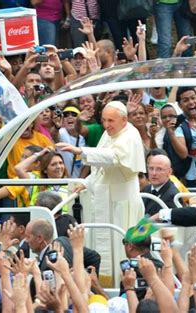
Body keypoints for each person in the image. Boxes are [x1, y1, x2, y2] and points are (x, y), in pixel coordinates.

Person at [57, 100, 146, 285]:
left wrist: (81, 151)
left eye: (111, 121)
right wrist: (88, 183)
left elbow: (114, 157)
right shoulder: (108, 133)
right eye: (104, 120)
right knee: (104, 244)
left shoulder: (130, 135)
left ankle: (125, 285)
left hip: (122, 202)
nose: (107, 125)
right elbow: (101, 167)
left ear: (124, 119)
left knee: (121, 246)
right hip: (106, 200)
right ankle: (104, 284)